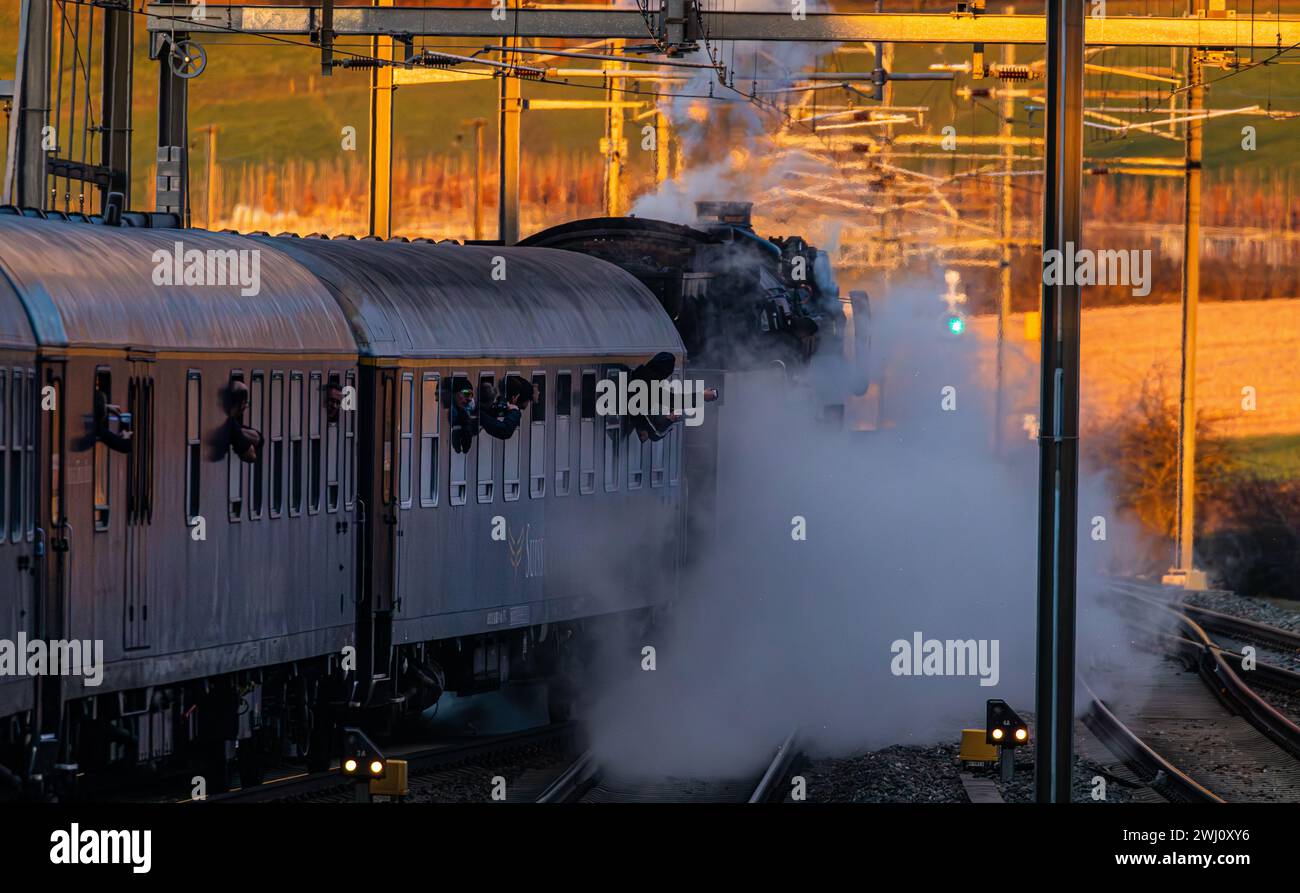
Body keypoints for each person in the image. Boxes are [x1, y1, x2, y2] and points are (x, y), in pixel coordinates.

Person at [624, 352, 719, 442]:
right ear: (664, 373)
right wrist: (669, 420)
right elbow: (655, 433)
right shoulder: (649, 386)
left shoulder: (639, 376)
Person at [226, 379, 263, 463]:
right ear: (242, 403)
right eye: (246, 403)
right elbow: (251, 456)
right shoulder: (232, 426)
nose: (246, 406)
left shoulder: (233, 425)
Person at [450, 384, 478, 453]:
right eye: (464, 393)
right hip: (457, 426)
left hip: (467, 428)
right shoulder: (455, 402)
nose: (467, 395)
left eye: (469, 393)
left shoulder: (472, 403)